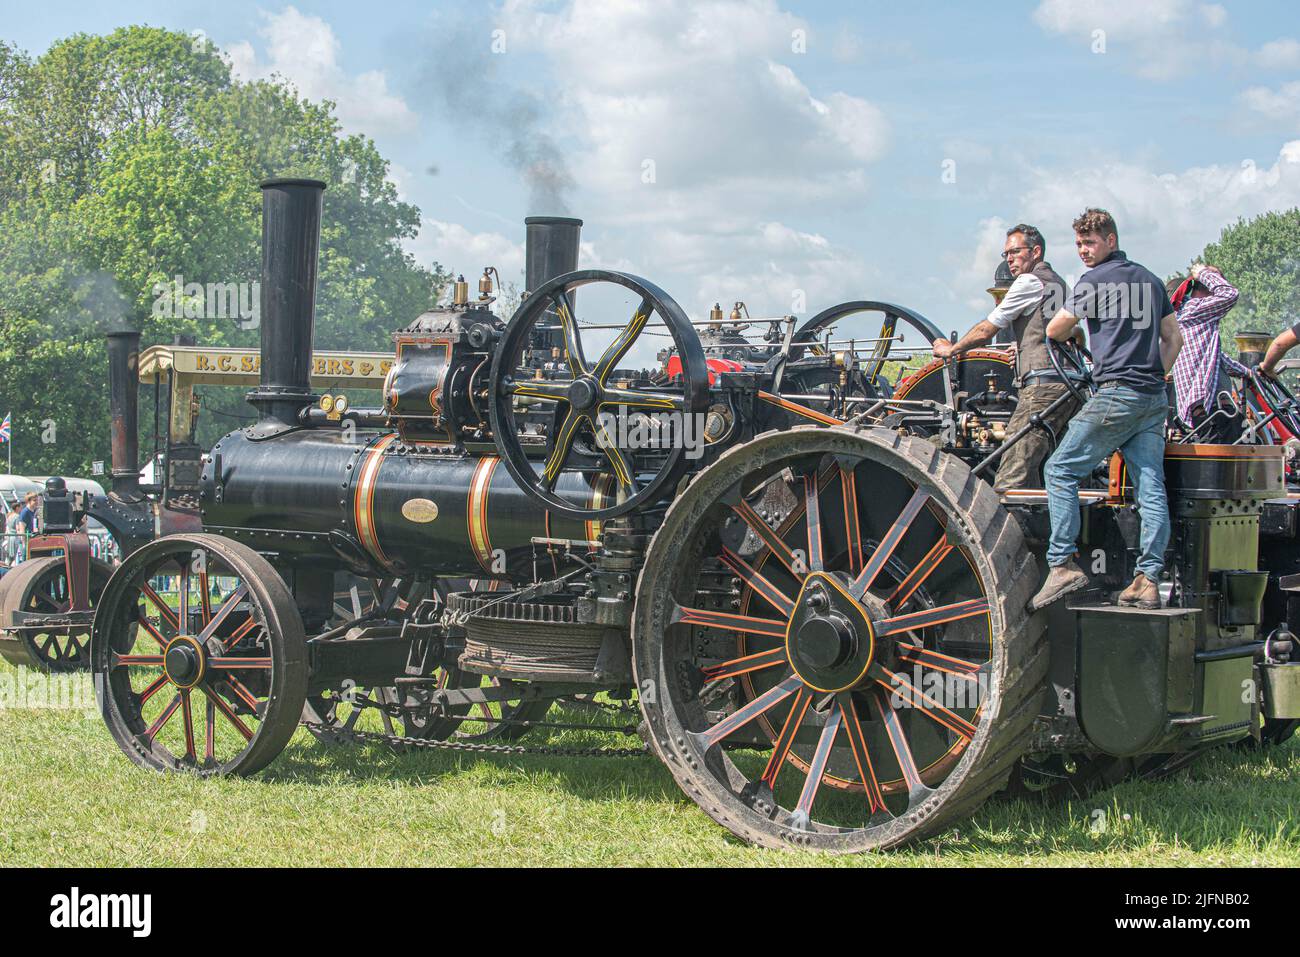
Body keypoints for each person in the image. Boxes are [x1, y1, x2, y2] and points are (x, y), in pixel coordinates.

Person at [1029, 208, 1183, 612]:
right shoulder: (1150, 281)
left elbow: (1054, 330)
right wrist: (1154, 375)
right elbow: (1173, 339)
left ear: (1110, 241)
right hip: (1153, 399)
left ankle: (1061, 564)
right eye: (1079, 243)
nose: (1083, 250)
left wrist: (1080, 332)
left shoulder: (1094, 281)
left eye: (1090, 242)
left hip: (1116, 393)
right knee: (1150, 488)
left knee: (1059, 469)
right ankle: (1148, 580)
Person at [932, 224, 1082, 491]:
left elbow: (987, 330)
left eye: (1014, 252)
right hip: (1070, 386)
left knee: (1010, 474)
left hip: (1043, 387)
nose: (1009, 259)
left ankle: (1007, 527)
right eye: (1005, 255)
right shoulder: (1058, 283)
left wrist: (951, 350)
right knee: (1044, 468)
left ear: (1035, 251)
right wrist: (1023, 347)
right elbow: (1071, 333)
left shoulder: (1028, 281)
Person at [1167, 264, 1245, 441]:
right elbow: (1230, 294)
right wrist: (1203, 273)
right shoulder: (1194, 309)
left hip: (1212, 411)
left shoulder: (1194, 314)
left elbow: (1216, 357)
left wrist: (1248, 373)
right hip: (1208, 411)